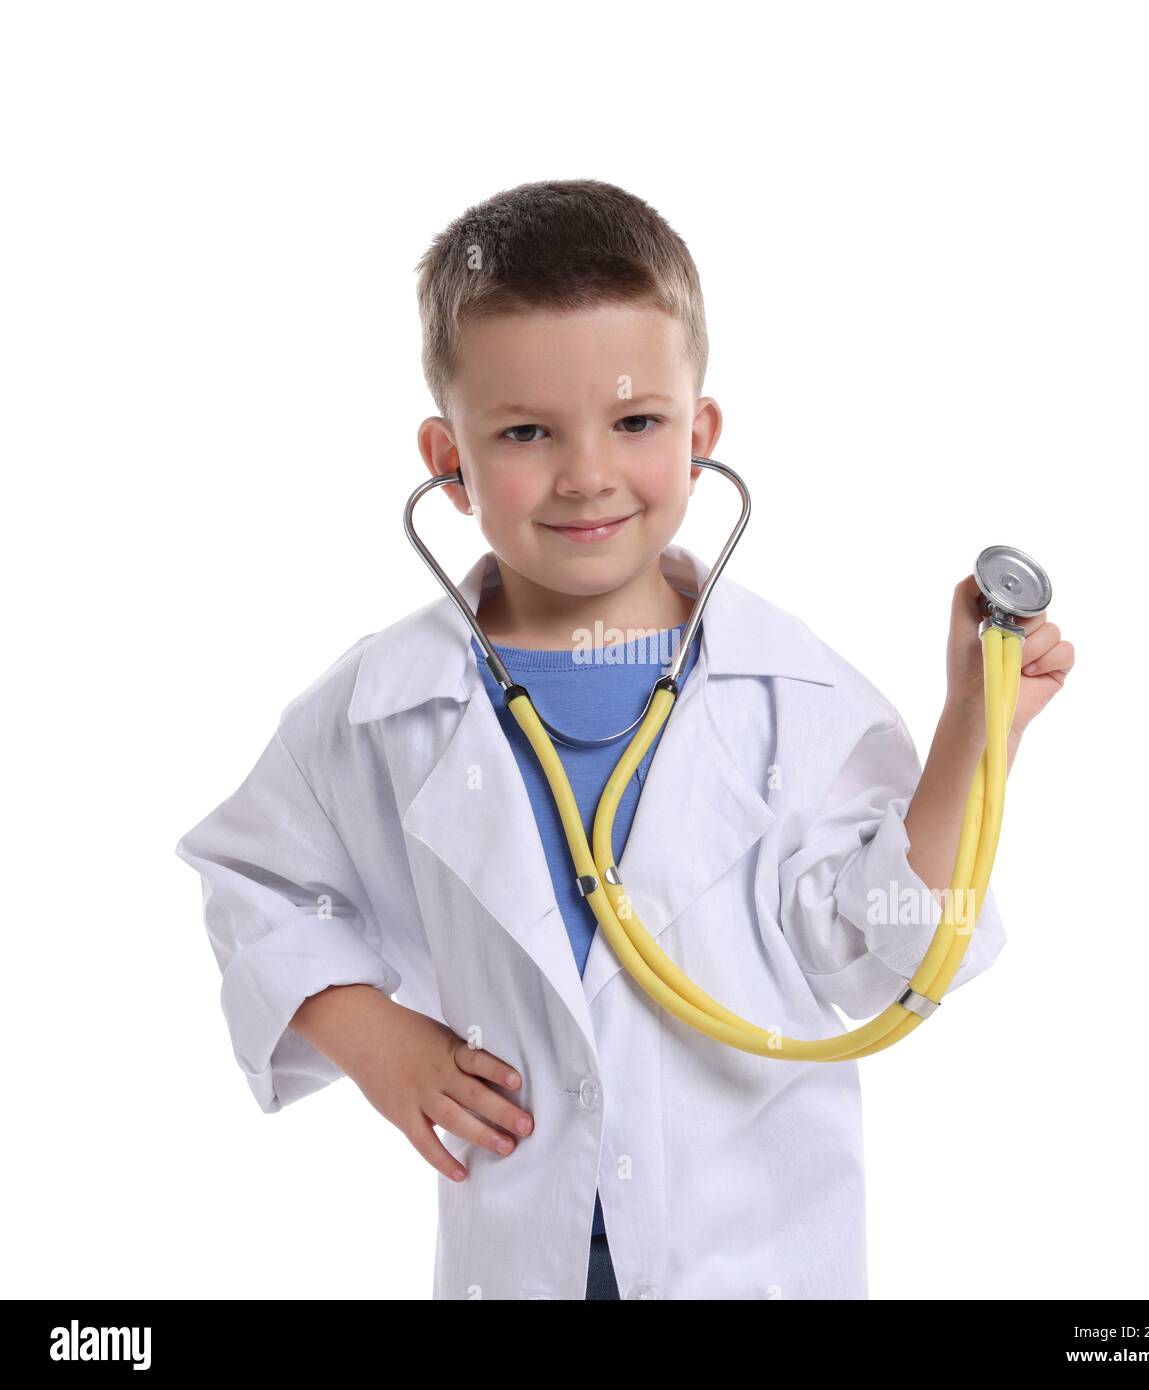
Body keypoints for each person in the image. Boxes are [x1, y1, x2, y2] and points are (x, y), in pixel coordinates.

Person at [174, 178, 1075, 1300]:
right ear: (447, 460)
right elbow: (256, 878)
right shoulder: (382, 701)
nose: (588, 473)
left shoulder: (790, 690)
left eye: (635, 421)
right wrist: (370, 1035)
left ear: (700, 437)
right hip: (519, 1249)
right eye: (524, 432)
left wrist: (974, 732)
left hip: (753, 1261)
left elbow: (891, 951)